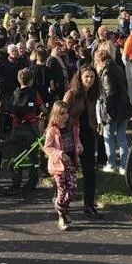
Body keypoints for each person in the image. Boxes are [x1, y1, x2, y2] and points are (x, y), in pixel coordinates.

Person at [64, 66, 103, 220]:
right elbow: (61, 112)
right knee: (67, 170)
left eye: (92, 77)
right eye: (86, 76)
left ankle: (89, 204)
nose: (89, 80)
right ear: (80, 78)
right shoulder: (72, 94)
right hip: (70, 133)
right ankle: (63, 203)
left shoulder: (93, 94)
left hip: (88, 133)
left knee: (89, 170)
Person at [43, 101, 81, 231]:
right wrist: (60, 153)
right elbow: (47, 148)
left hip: (70, 162)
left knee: (73, 190)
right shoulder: (52, 130)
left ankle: (61, 207)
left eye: (67, 113)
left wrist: (78, 147)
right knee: (62, 189)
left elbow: (76, 141)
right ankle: (62, 215)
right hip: (58, 165)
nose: (66, 116)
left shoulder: (72, 127)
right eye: (62, 113)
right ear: (56, 114)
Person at [95, 46, 132, 175]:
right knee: (122, 137)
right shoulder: (118, 68)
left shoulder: (106, 72)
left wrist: (106, 110)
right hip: (124, 107)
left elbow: (109, 92)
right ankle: (124, 165)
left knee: (108, 136)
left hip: (112, 110)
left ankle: (111, 163)